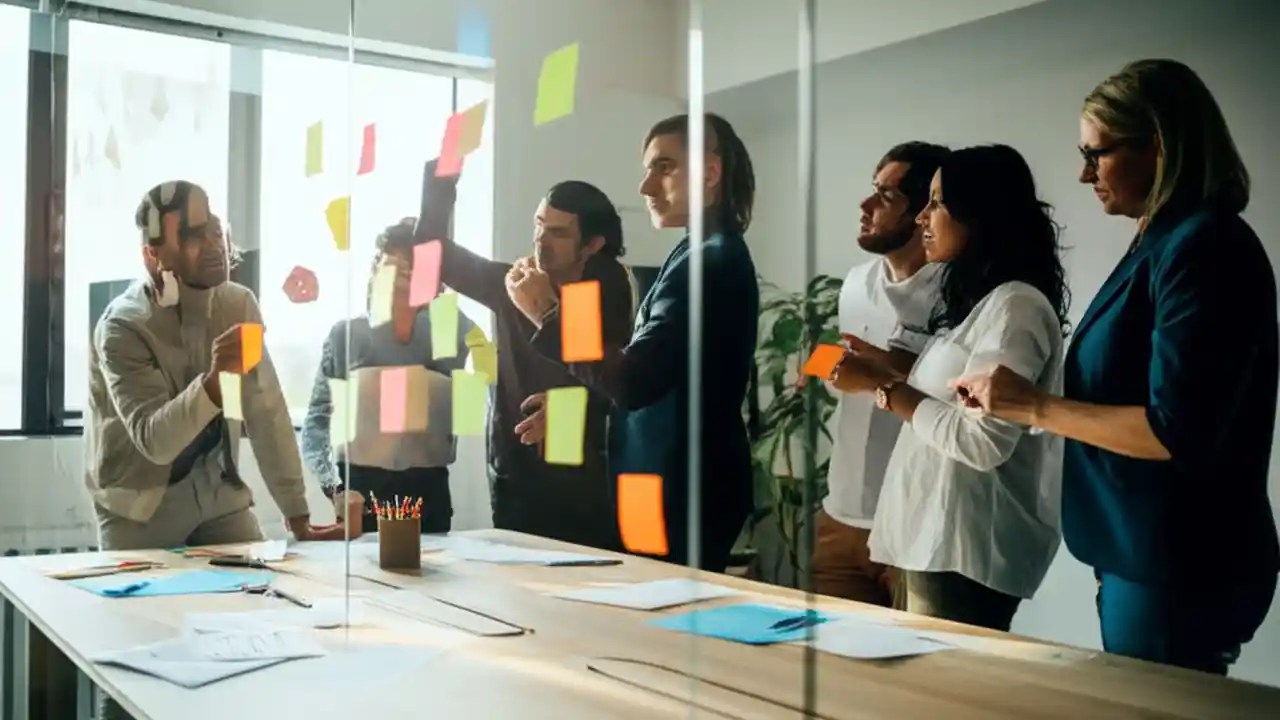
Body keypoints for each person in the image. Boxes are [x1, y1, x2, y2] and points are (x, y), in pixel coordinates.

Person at [954, 59, 1279, 672]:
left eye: (1096, 154)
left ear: (1157, 144)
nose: (1084, 174)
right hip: (1145, 557)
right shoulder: (1162, 242)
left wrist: (1033, 406)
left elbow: (1173, 428)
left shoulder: (1203, 246)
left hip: (1178, 564)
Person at [507, 113, 759, 573]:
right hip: (650, 484)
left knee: (663, 627)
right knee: (645, 617)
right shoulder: (693, 253)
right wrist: (575, 412)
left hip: (679, 492)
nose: (645, 187)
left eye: (663, 167)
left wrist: (548, 315)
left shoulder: (711, 261)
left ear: (709, 172)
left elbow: (633, 382)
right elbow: (662, 381)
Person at [831, 145, 1069, 631]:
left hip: (962, 550)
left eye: (935, 202)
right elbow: (949, 401)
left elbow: (982, 442)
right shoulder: (983, 305)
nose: (923, 216)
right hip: (935, 545)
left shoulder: (1016, 307)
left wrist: (884, 388)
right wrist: (884, 369)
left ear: (978, 214)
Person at [86, 180, 347, 551]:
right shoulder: (124, 326)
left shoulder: (237, 305)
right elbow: (154, 440)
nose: (214, 246)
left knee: (260, 596)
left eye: (215, 231)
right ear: (152, 256)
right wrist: (214, 382)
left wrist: (297, 514)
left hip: (219, 499)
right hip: (138, 511)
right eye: (194, 236)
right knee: (143, 609)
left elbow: (265, 410)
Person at [416, 165, 634, 550]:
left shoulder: (609, 292)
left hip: (587, 487)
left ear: (592, 245)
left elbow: (623, 383)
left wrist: (573, 409)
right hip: (517, 476)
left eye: (558, 232)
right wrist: (441, 180)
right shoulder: (513, 283)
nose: (540, 240)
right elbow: (431, 256)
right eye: (538, 225)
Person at [811, 141, 949, 604]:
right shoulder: (855, 283)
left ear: (923, 212)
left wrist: (880, 367)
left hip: (914, 524)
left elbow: (960, 392)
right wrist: (815, 361)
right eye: (874, 190)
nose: (866, 205)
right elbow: (837, 360)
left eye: (887, 196)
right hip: (840, 515)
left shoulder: (959, 290)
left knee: (913, 673)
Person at [302, 218, 474, 534]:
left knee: (432, 580)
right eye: (395, 262)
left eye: (414, 265)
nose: (404, 273)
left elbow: (473, 412)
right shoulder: (347, 336)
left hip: (429, 493)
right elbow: (316, 423)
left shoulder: (455, 333)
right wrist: (334, 486)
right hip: (360, 493)